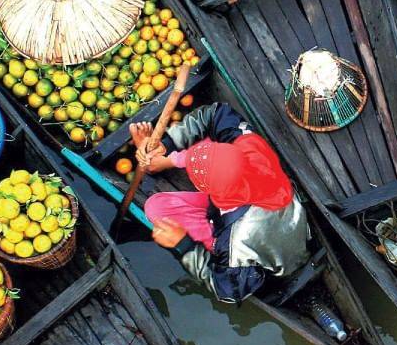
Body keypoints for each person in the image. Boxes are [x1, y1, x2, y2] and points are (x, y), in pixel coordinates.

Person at [130, 103, 310, 304]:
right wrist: (167, 147)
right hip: (289, 218)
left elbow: (227, 289)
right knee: (205, 141)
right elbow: (214, 113)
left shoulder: (235, 242)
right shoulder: (250, 146)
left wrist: (184, 245)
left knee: (156, 209)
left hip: (272, 252)